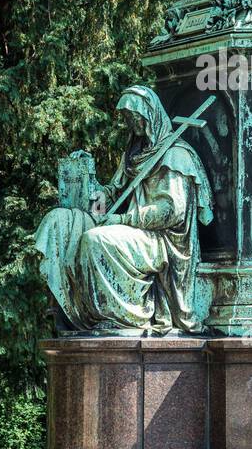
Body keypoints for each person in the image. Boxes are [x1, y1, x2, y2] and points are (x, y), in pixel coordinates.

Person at [34, 86, 212, 335]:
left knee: (97, 239)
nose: (129, 122)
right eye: (127, 117)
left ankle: (120, 316)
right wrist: (96, 187)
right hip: (130, 228)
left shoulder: (176, 156)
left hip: (162, 240)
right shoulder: (135, 154)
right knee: (59, 221)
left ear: (149, 114)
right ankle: (70, 309)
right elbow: (114, 191)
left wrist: (123, 218)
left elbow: (171, 212)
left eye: (133, 116)